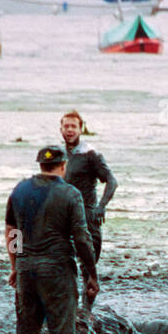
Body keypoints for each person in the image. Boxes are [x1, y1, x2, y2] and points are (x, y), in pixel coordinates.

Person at [6, 145, 98, 334]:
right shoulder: (71, 194)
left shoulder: (20, 190)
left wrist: (16, 265)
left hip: (27, 271)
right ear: (63, 165)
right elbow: (82, 239)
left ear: (40, 164)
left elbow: (12, 232)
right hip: (58, 272)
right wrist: (91, 274)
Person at [59, 110, 117, 284]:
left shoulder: (91, 154)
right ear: (60, 129)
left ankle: (86, 308)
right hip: (63, 214)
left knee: (89, 265)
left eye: (73, 126)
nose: (70, 130)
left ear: (81, 129)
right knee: (62, 262)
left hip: (87, 214)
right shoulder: (57, 154)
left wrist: (101, 207)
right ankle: (70, 306)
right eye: (66, 126)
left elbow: (112, 182)